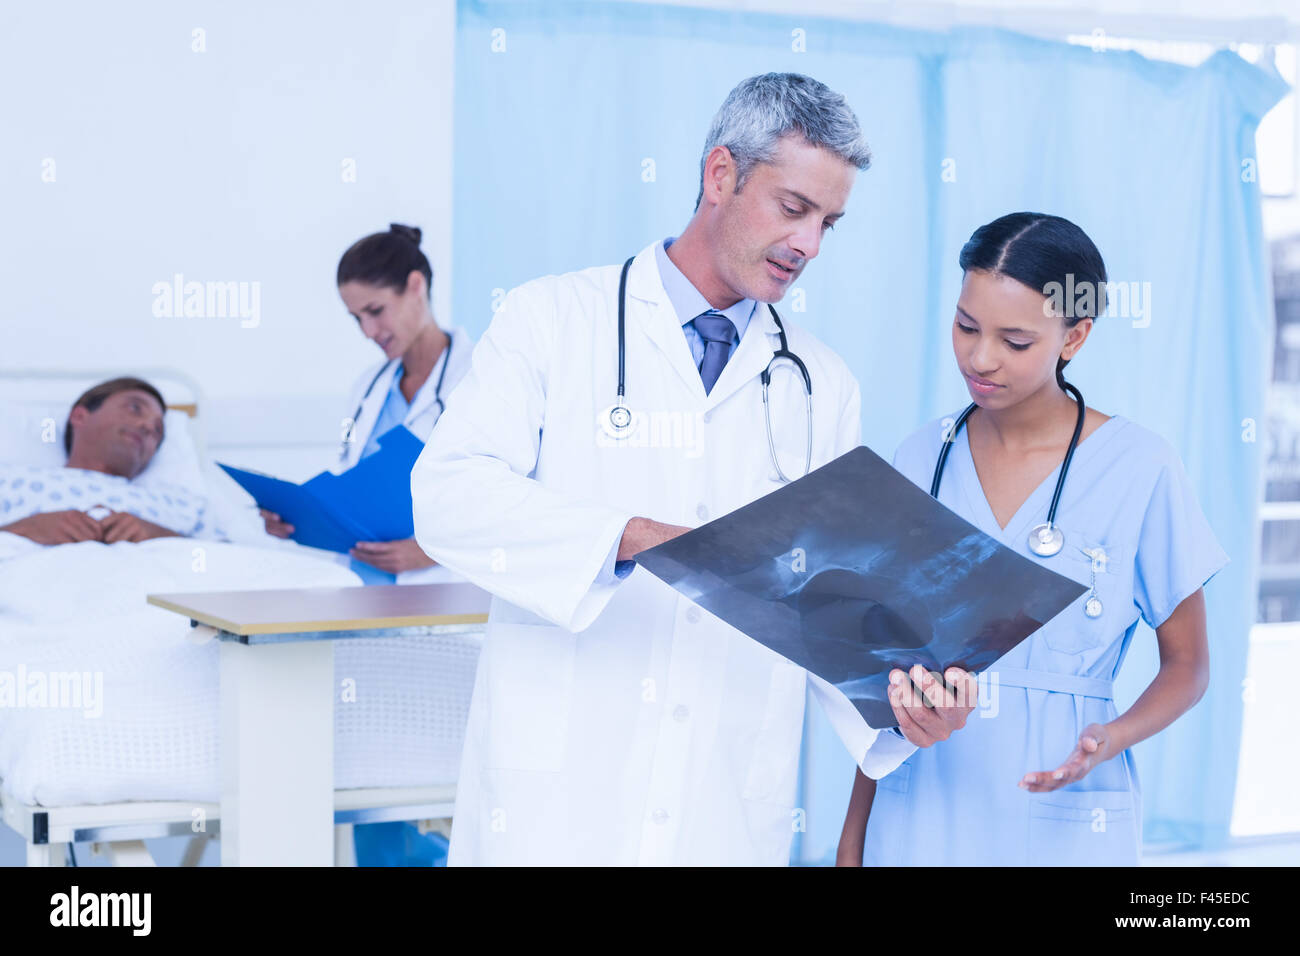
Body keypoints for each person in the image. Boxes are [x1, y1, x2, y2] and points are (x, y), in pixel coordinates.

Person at [411, 72, 975, 866]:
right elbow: (448, 497)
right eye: (793, 208)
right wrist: (631, 536)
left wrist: (903, 704)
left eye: (829, 223)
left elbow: (826, 601)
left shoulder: (823, 385)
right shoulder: (552, 320)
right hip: (556, 804)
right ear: (720, 176)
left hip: (723, 805)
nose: (809, 245)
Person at [836, 212, 1227, 867]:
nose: (979, 358)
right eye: (965, 326)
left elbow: (1189, 665)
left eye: (1015, 341)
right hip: (917, 807)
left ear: (1074, 335)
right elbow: (886, 687)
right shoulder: (919, 458)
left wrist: (1112, 736)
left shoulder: (1140, 467)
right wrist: (850, 848)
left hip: (1064, 808)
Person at [260, 223, 474, 584]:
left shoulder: (482, 377)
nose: (368, 332)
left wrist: (432, 551)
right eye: (357, 318)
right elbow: (351, 491)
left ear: (416, 286)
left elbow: (515, 497)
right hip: (363, 584)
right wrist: (298, 520)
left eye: (376, 311)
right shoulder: (368, 388)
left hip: (448, 589)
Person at [0, 377, 225, 546]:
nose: (148, 427)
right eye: (135, 408)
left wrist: (162, 538)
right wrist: (23, 529)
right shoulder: (11, 481)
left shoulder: (185, 506)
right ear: (80, 416)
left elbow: (231, 566)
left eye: (158, 430)